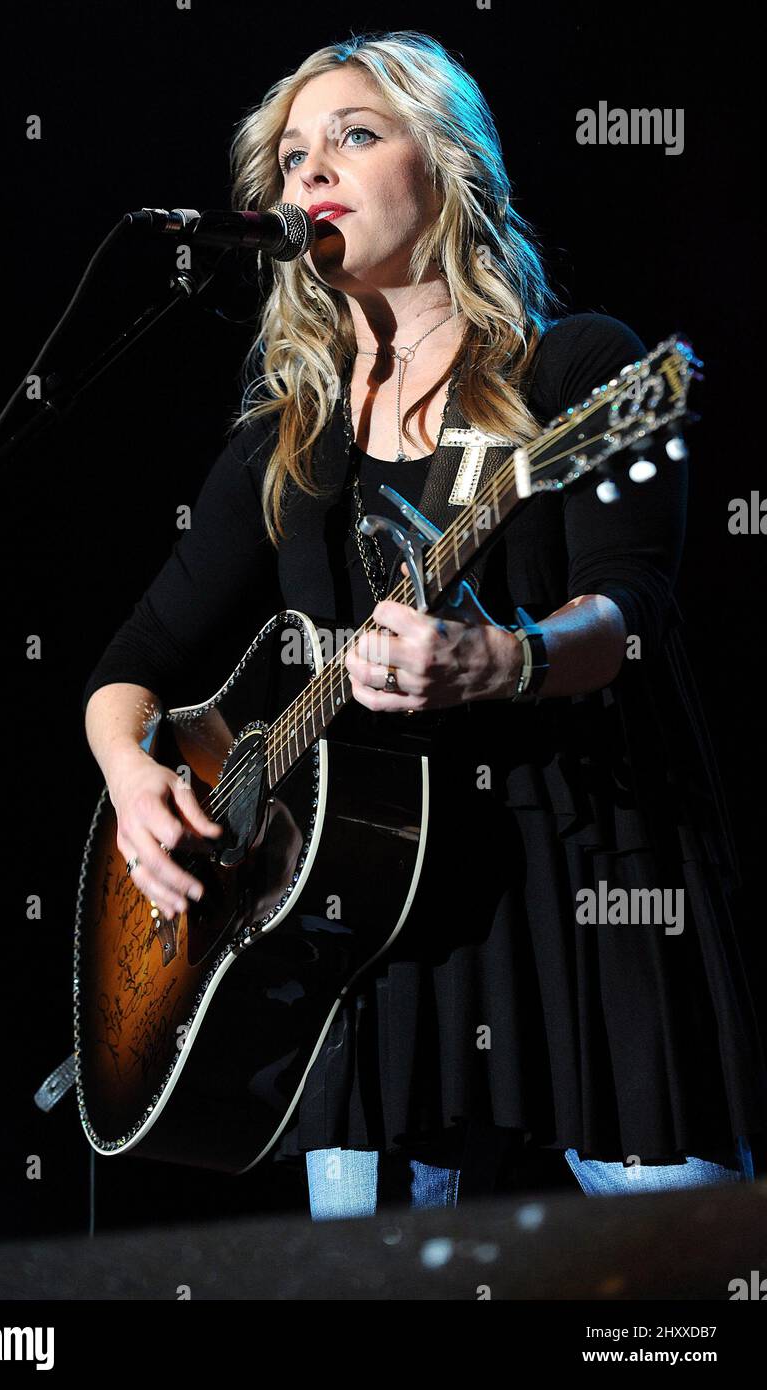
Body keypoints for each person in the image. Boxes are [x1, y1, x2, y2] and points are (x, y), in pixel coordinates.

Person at [81, 30, 767, 1222]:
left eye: (353, 136)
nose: (312, 176)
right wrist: (133, 781)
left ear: (447, 165)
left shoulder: (580, 373)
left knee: (675, 1302)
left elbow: (631, 610)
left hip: (583, 880)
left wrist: (511, 656)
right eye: (293, 159)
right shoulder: (285, 439)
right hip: (370, 925)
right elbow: (133, 664)